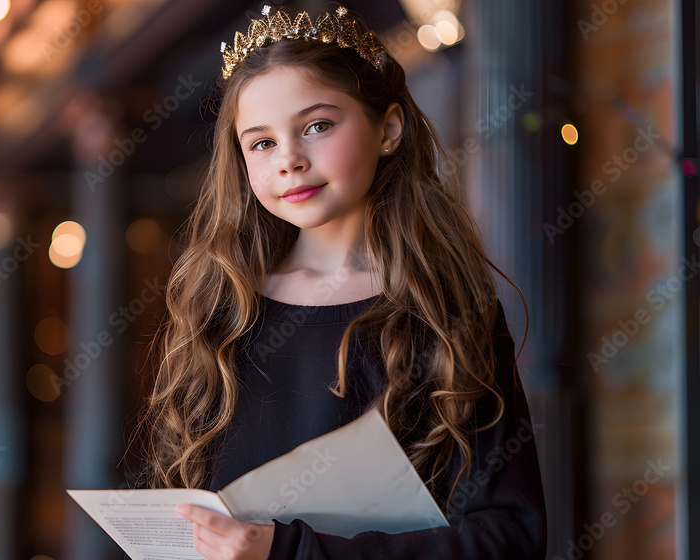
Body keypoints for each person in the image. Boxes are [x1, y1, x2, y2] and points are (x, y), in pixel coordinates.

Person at [126, 4, 548, 559]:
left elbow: (508, 540)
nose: (290, 160)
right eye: (262, 142)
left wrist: (291, 552)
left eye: (317, 125)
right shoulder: (220, 309)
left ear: (389, 129)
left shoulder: (444, 310)